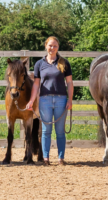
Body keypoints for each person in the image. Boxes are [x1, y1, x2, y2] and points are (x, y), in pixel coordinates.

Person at [24, 36, 74, 166]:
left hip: (61, 100)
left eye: (55, 46)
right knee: (46, 131)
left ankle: (60, 158)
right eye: (50, 45)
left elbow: (69, 83)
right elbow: (36, 84)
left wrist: (70, 99)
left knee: (60, 131)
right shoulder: (39, 64)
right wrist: (31, 101)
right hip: (44, 100)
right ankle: (45, 158)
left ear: (58, 47)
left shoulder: (64, 63)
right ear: (46, 46)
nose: (52, 48)